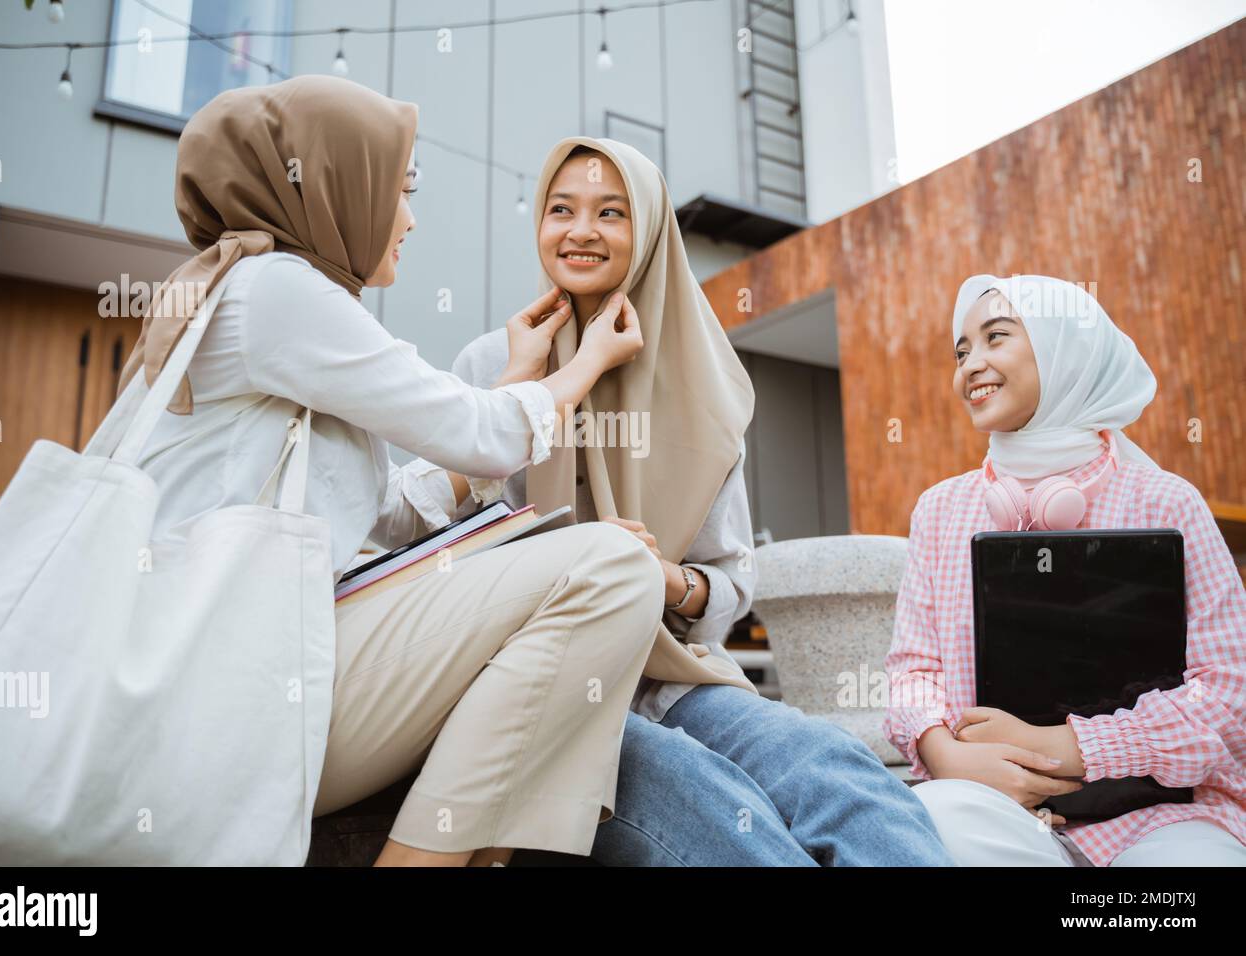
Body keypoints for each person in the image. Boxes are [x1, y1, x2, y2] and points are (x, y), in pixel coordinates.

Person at [119, 77, 667, 867]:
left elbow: (389, 513)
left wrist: (517, 380)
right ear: (333, 187)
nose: (408, 217)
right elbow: (479, 433)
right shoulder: (275, 291)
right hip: (235, 706)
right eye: (397, 190)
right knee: (613, 565)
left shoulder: (244, 298)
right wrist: (580, 367)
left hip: (241, 682)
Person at [449, 137, 954, 866]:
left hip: (670, 674)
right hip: (544, 687)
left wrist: (665, 580)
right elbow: (442, 547)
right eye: (561, 209)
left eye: (611, 213)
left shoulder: (704, 386)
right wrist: (571, 563)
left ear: (651, 231)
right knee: (716, 807)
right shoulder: (491, 365)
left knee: (837, 770)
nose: (580, 230)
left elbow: (732, 581)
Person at [885, 273, 1246, 866]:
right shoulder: (939, 510)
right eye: (961, 350)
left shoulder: (1167, 502)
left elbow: (1229, 692)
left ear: (1064, 348)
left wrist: (1065, 747)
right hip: (997, 809)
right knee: (929, 824)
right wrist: (944, 754)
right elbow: (911, 671)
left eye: (995, 337)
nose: (971, 363)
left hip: (1163, 819)